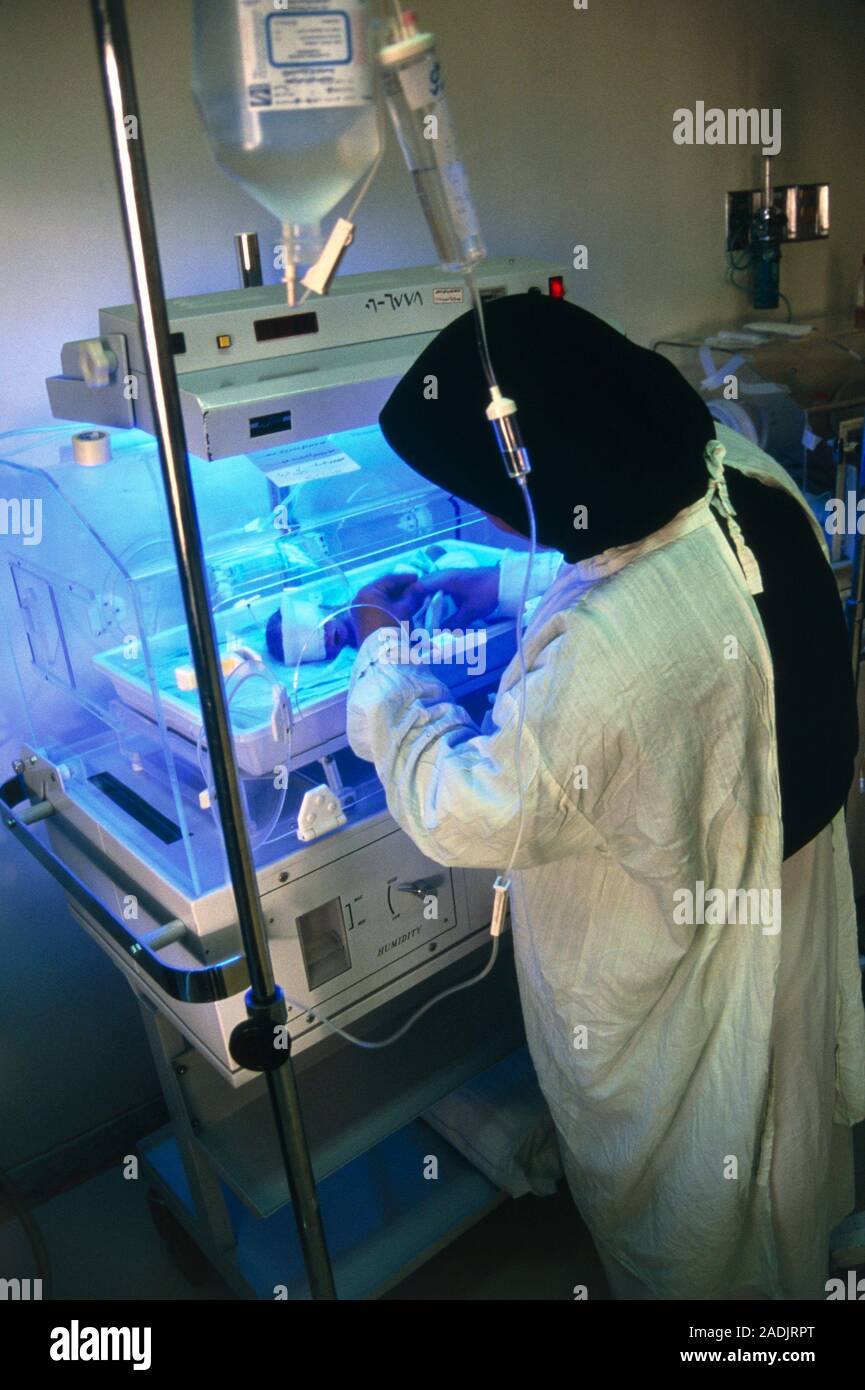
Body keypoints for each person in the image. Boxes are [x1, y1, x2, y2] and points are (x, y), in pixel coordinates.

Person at [344, 293, 865, 1300]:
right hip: (786, 885)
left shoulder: (605, 660)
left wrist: (381, 654)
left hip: (686, 963)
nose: (482, 518)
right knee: (783, 1132)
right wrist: (493, 583)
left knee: (705, 1202)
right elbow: (635, 566)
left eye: (484, 498)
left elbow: (465, 806)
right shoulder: (731, 467)